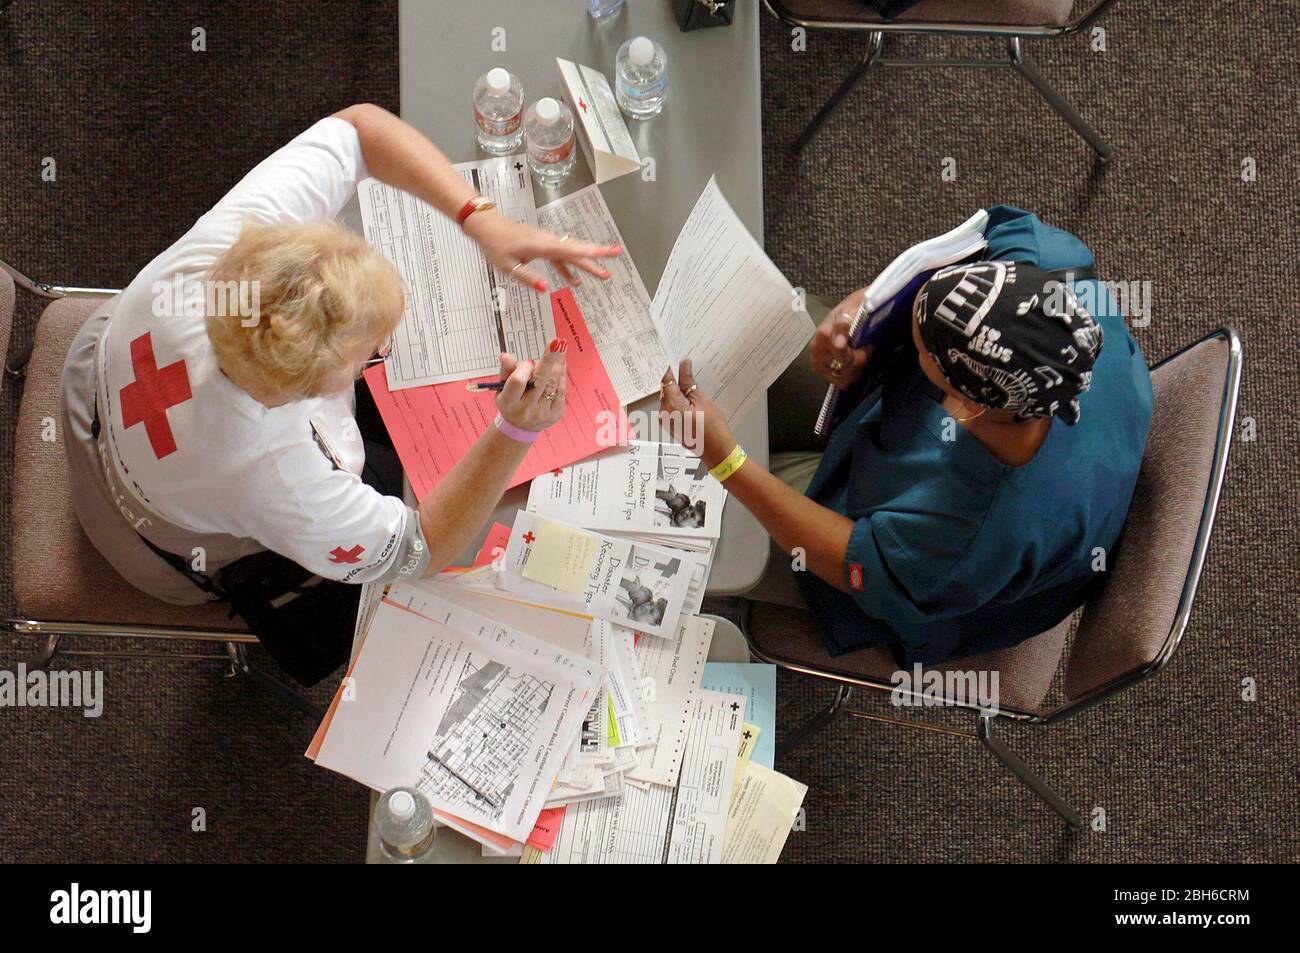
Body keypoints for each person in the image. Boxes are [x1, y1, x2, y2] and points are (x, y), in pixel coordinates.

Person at [61, 104, 621, 616]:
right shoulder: (283, 474)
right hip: (154, 543)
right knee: (398, 478)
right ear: (310, 393)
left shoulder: (237, 252)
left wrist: (480, 217)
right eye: (362, 359)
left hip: (92, 383)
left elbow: (360, 130)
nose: (379, 352)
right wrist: (514, 433)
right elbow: (418, 550)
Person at [659, 206, 1154, 666]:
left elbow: (855, 562)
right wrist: (862, 308)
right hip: (910, 437)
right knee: (758, 328)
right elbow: (972, 244)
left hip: (892, 558)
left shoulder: (971, 533)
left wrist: (727, 461)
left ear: (966, 403)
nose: (907, 336)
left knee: (701, 522)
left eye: (921, 353)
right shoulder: (1051, 276)